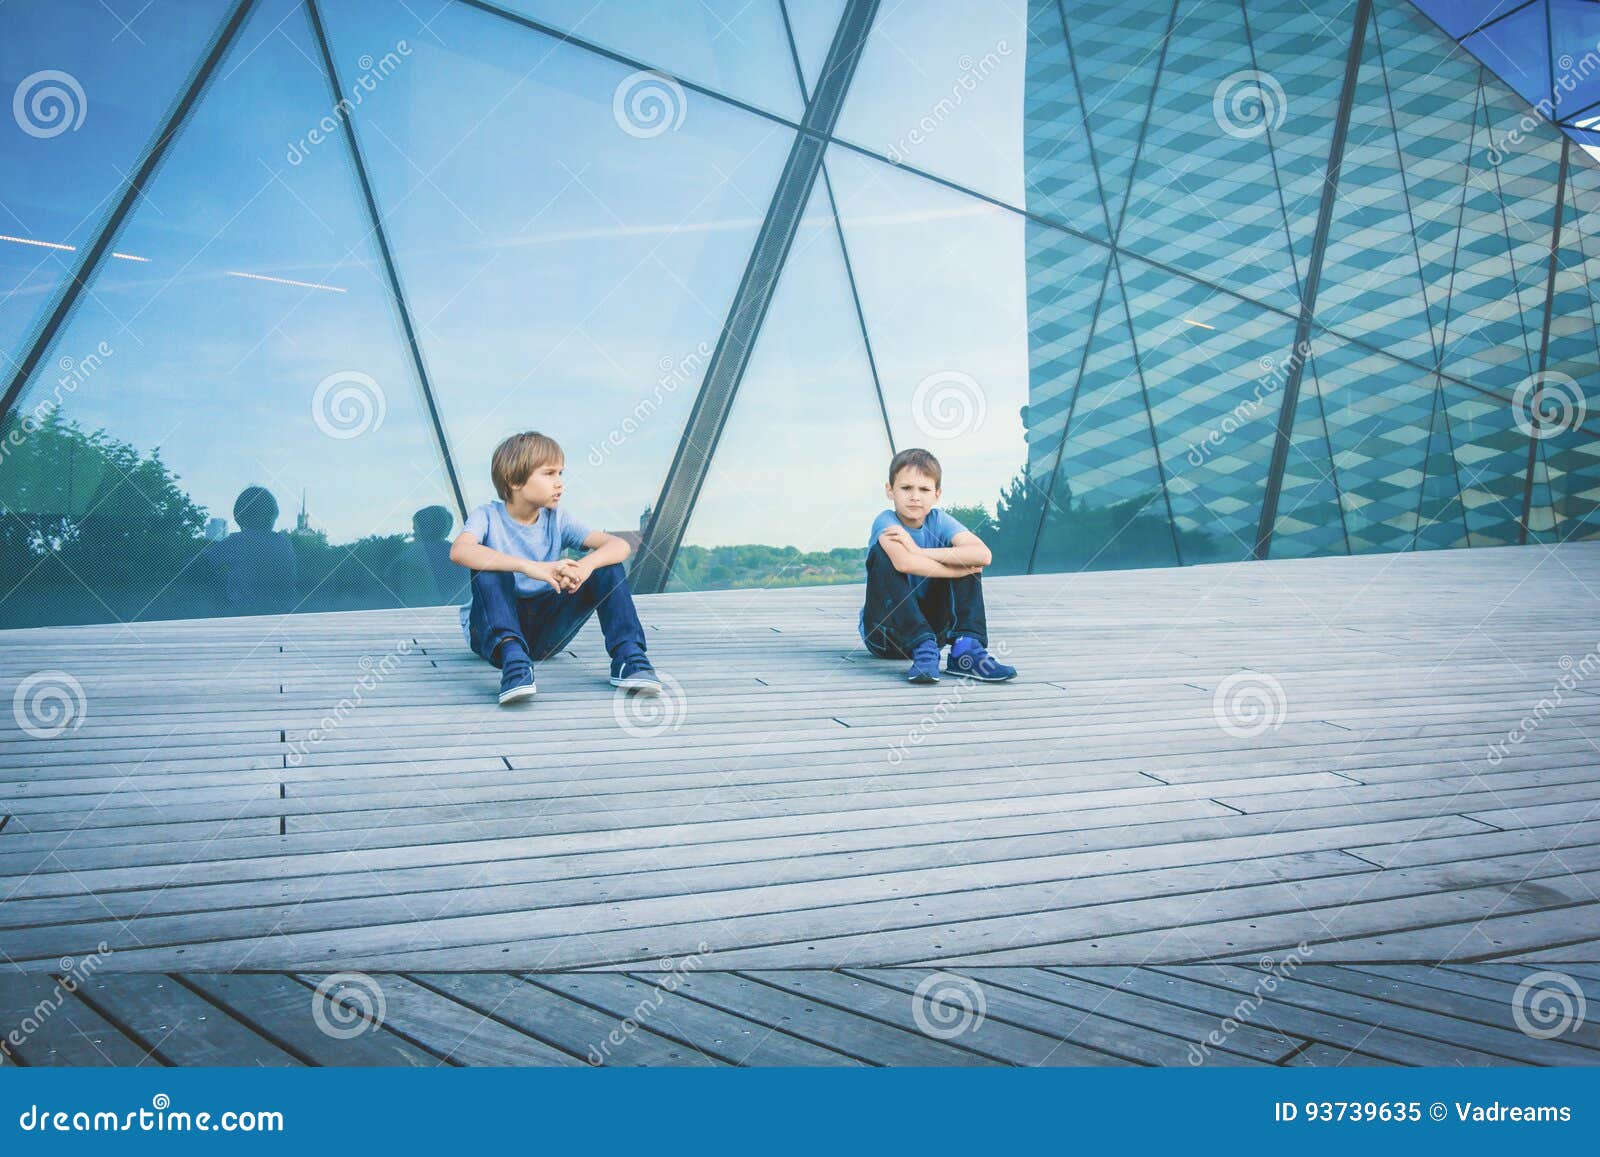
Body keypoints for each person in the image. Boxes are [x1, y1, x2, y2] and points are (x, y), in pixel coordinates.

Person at [449, 431, 662, 705]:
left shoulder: (558, 519)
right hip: (491, 632)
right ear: (514, 480)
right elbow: (460, 551)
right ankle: (514, 664)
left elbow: (618, 545)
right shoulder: (487, 516)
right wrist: (531, 568)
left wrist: (585, 566)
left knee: (607, 566)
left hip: (545, 633)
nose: (559, 483)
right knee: (488, 567)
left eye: (561, 473)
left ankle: (629, 657)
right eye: (549, 474)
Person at [861, 448, 1017, 684]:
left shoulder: (939, 521)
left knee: (968, 557)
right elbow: (904, 563)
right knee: (882, 554)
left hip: (935, 632)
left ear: (937, 494)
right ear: (889, 490)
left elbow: (983, 555)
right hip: (886, 634)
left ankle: (965, 651)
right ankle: (922, 644)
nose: (915, 496)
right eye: (906, 488)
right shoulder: (886, 521)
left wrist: (919, 551)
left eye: (924, 489)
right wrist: (961, 568)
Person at [199, 486, 297, 615]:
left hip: (246, 613)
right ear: (274, 514)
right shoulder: (283, 542)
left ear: (241, 516)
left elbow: (201, 563)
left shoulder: (238, 541)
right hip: (284, 612)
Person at [387, 505, 469, 606]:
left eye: (415, 527)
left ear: (424, 528)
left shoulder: (411, 558)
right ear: (447, 529)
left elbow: (414, 601)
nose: (413, 531)